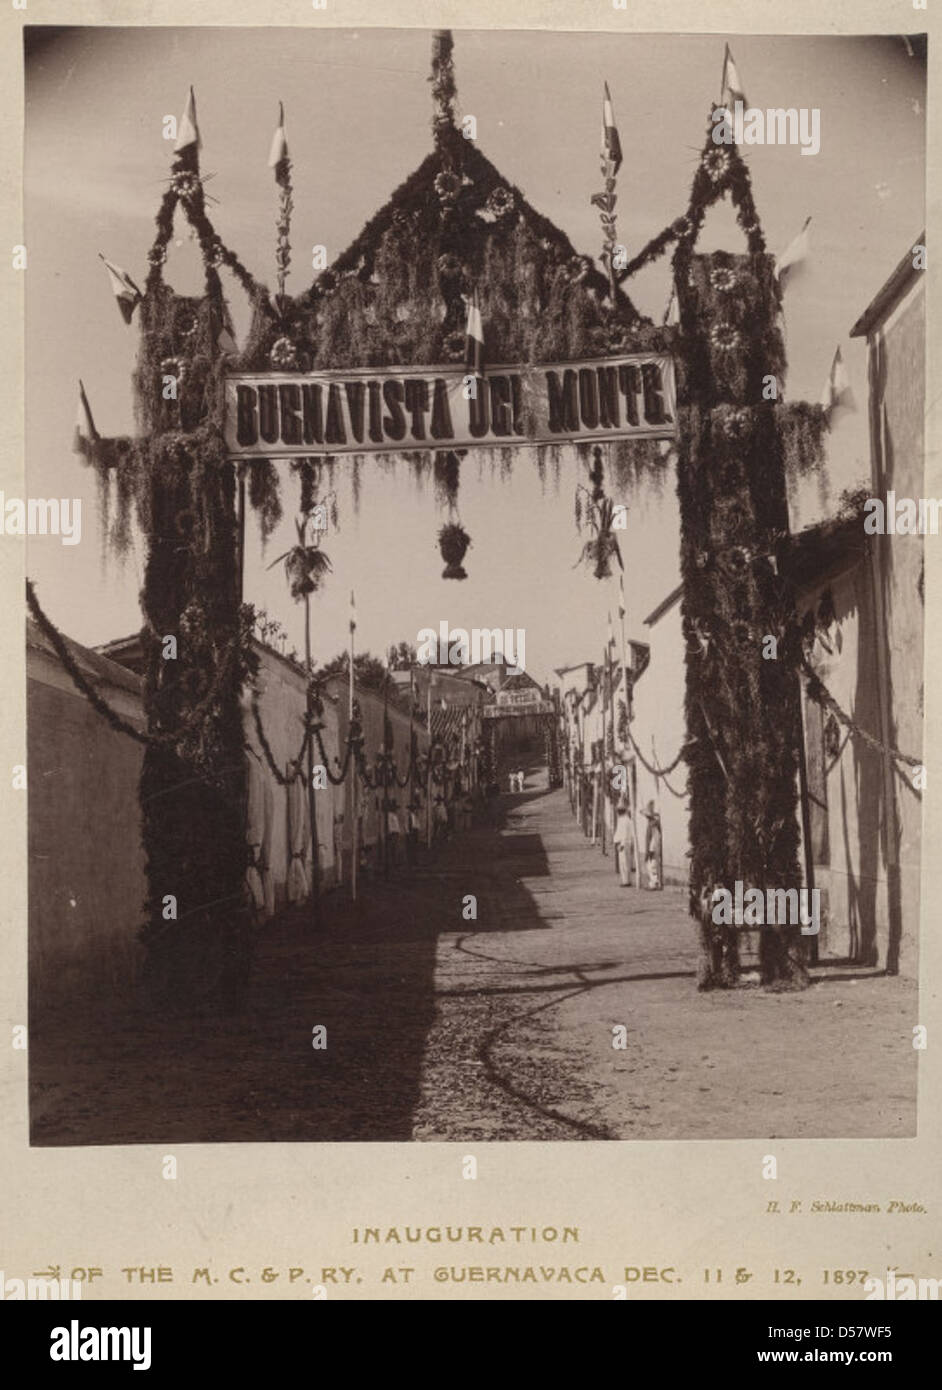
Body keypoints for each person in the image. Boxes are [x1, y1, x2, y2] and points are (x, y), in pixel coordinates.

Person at [643, 801, 663, 890]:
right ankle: (653, 882)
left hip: (652, 849)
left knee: (652, 866)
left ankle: (654, 883)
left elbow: (651, 839)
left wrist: (648, 851)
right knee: (652, 866)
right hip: (654, 848)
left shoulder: (652, 825)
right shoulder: (655, 824)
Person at [613, 796, 632, 887]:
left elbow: (624, 834)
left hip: (624, 843)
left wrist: (622, 844)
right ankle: (625, 880)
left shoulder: (625, 820)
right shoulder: (622, 819)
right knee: (623, 863)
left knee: (625, 863)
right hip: (621, 843)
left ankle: (626, 881)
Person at [406, 797, 422, 865]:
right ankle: (411, 860)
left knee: (415, 846)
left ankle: (415, 860)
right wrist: (409, 833)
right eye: (413, 808)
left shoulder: (415, 815)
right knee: (412, 847)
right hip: (412, 832)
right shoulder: (410, 816)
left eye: (415, 808)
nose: (415, 809)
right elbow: (408, 825)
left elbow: (417, 824)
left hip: (415, 832)